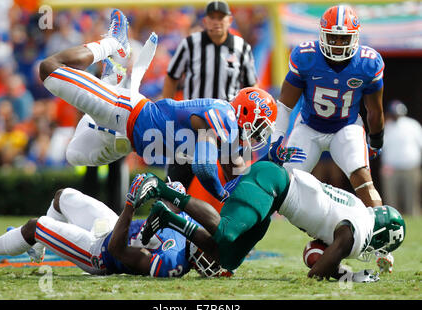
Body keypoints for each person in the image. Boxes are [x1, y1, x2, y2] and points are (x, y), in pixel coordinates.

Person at [38, 9, 303, 202]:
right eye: (259, 127)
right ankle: (112, 44)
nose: (258, 135)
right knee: (49, 68)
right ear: (245, 113)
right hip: (128, 112)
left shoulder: (231, 137)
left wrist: (272, 165)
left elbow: (242, 176)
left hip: (128, 139)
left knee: (75, 154)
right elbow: (203, 165)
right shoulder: (225, 117)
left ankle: (112, 78)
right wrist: (223, 195)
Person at [133, 160, 406, 282]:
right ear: (380, 235)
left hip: (275, 195)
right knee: (226, 232)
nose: (376, 250)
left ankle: (168, 217)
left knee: (225, 258)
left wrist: (345, 271)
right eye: (382, 245)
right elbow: (317, 270)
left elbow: (313, 253)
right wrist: (351, 277)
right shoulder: (355, 233)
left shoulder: (359, 212)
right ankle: (160, 188)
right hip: (272, 183)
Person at [0, 178, 227, 278]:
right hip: (117, 228)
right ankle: (37, 248)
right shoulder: (192, 230)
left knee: (35, 226)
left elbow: (117, 250)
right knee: (63, 196)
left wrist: (130, 203)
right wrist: (172, 195)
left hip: (100, 255)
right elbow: (184, 208)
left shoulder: (172, 262)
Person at [276, 5, 385, 208]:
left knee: (361, 175)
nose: (338, 44)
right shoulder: (306, 56)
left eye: (344, 38)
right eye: (332, 37)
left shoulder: (367, 63)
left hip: (347, 127)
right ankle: (319, 231)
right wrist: (277, 140)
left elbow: (375, 110)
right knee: (282, 184)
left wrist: (376, 140)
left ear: (355, 37)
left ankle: (381, 228)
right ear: (322, 35)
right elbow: (284, 104)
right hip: (309, 127)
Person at [162, 0, 258, 190]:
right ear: (205, 21)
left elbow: (251, 88)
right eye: (212, 18)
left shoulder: (241, 47)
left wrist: (248, 127)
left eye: (220, 17)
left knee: (238, 178)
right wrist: (167, 113)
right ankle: (167, 214)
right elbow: (172, 77)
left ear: (229, 20)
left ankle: (243, 216)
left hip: (229, 124)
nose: (216, 22)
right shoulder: (190, 44)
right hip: (192, 122)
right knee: (178, 178)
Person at [381, 100, 422, 216]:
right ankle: (393, 222)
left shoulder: (412, 125)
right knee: (391, 202)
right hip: (391, 169)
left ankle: (414, 221)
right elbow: (375, 145)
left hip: (411, 168)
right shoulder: (386, 126)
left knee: (412, 201)